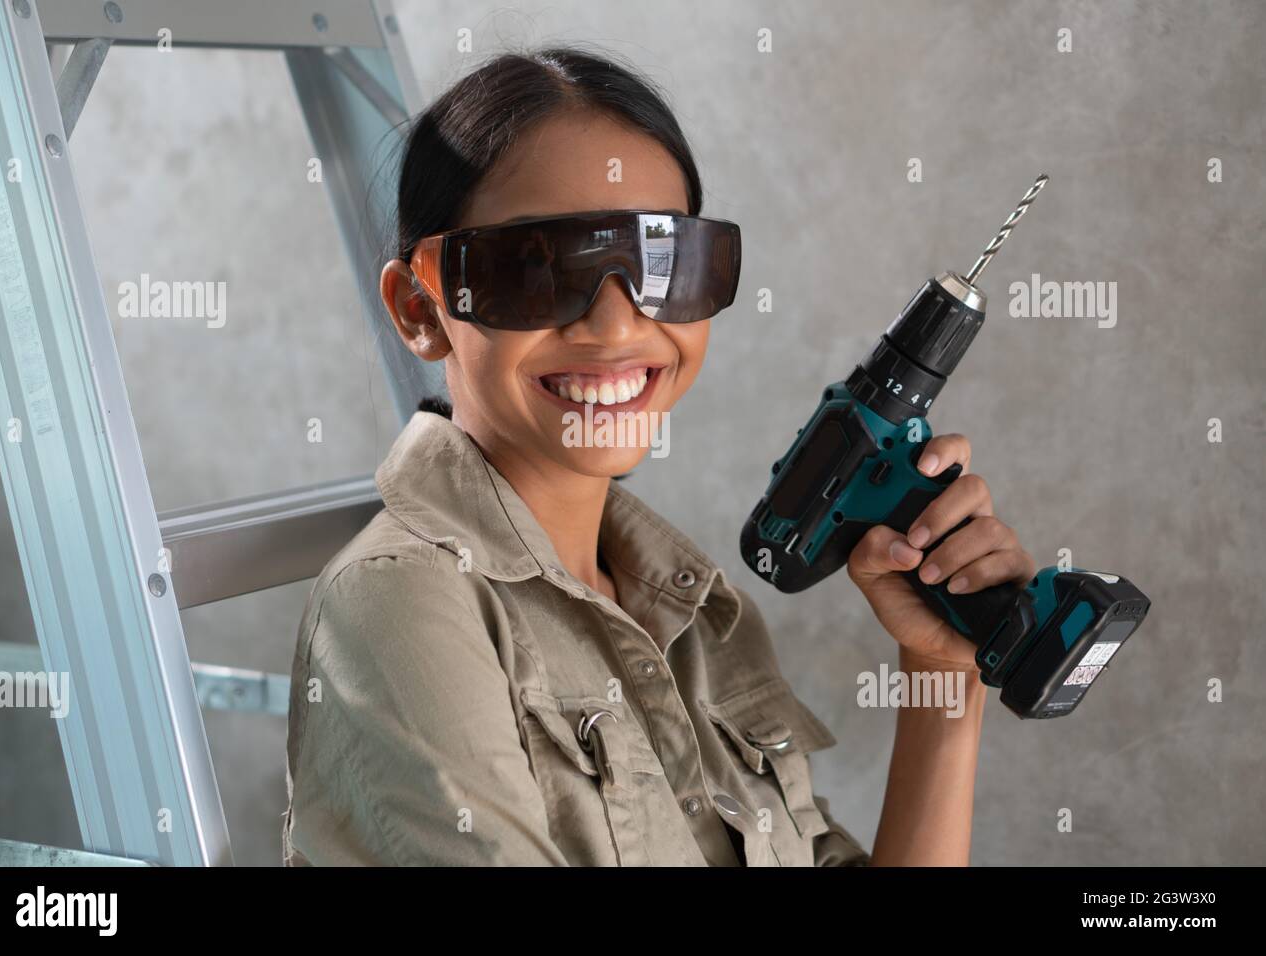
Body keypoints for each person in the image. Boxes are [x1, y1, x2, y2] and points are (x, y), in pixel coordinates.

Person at [282, 45, 1036, 866]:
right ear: (420, 308)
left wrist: (941, 672)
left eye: (662, 262)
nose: (615, 327)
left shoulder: (694, 617)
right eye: (538, 270)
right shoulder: (401, 609)